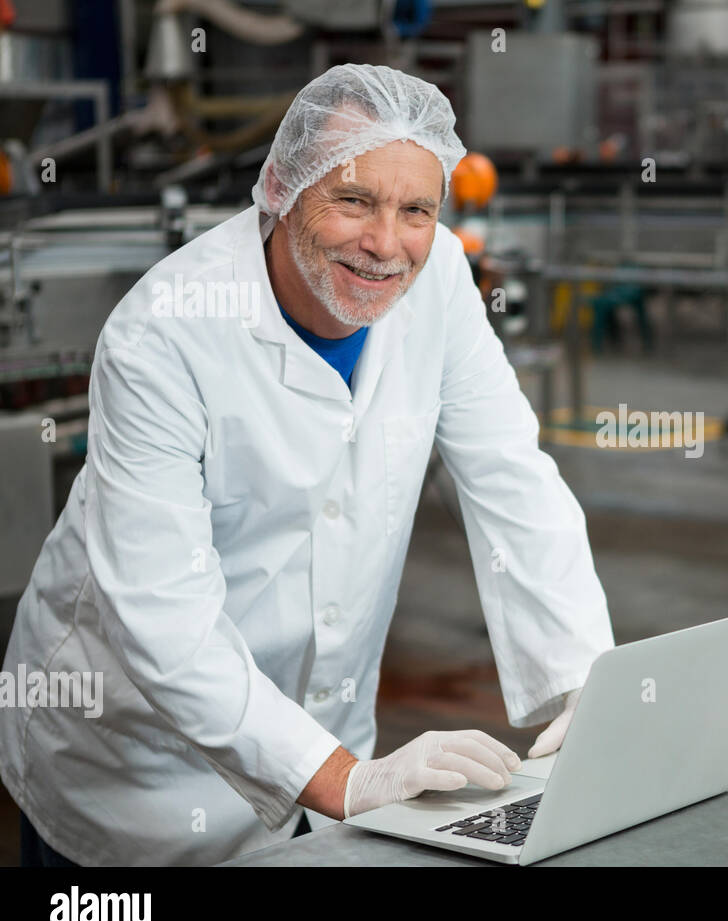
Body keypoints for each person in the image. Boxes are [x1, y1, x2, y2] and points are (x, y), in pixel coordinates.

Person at [0, 64, 614, 866]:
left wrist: (584, 679)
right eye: (354, 200)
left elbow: (511, 473)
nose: (386, 244)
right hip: (135, 770)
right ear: (281, 186)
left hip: (328, 745)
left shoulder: (439, 286)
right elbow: (159, 613)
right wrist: (344, 782)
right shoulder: (166, 332)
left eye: (417, 211)